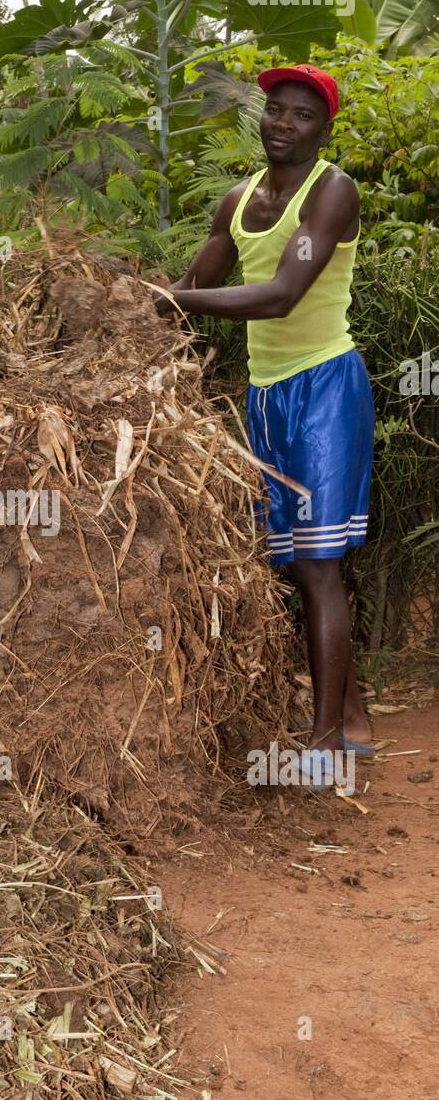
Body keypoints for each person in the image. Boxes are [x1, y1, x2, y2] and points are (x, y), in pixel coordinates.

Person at [156, 64, 375, 784]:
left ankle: (321, 744)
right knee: (289, 563)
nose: (282, 123)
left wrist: (177, 303)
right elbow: (192, 290)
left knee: (316, 564)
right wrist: (130, 300)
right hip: (265, 395)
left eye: (300, 116)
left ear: (323, 129)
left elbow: (281, 295)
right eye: (274, 110)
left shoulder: (331, 192)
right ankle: (353, 713)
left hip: (322, 388)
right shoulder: (237, 199)